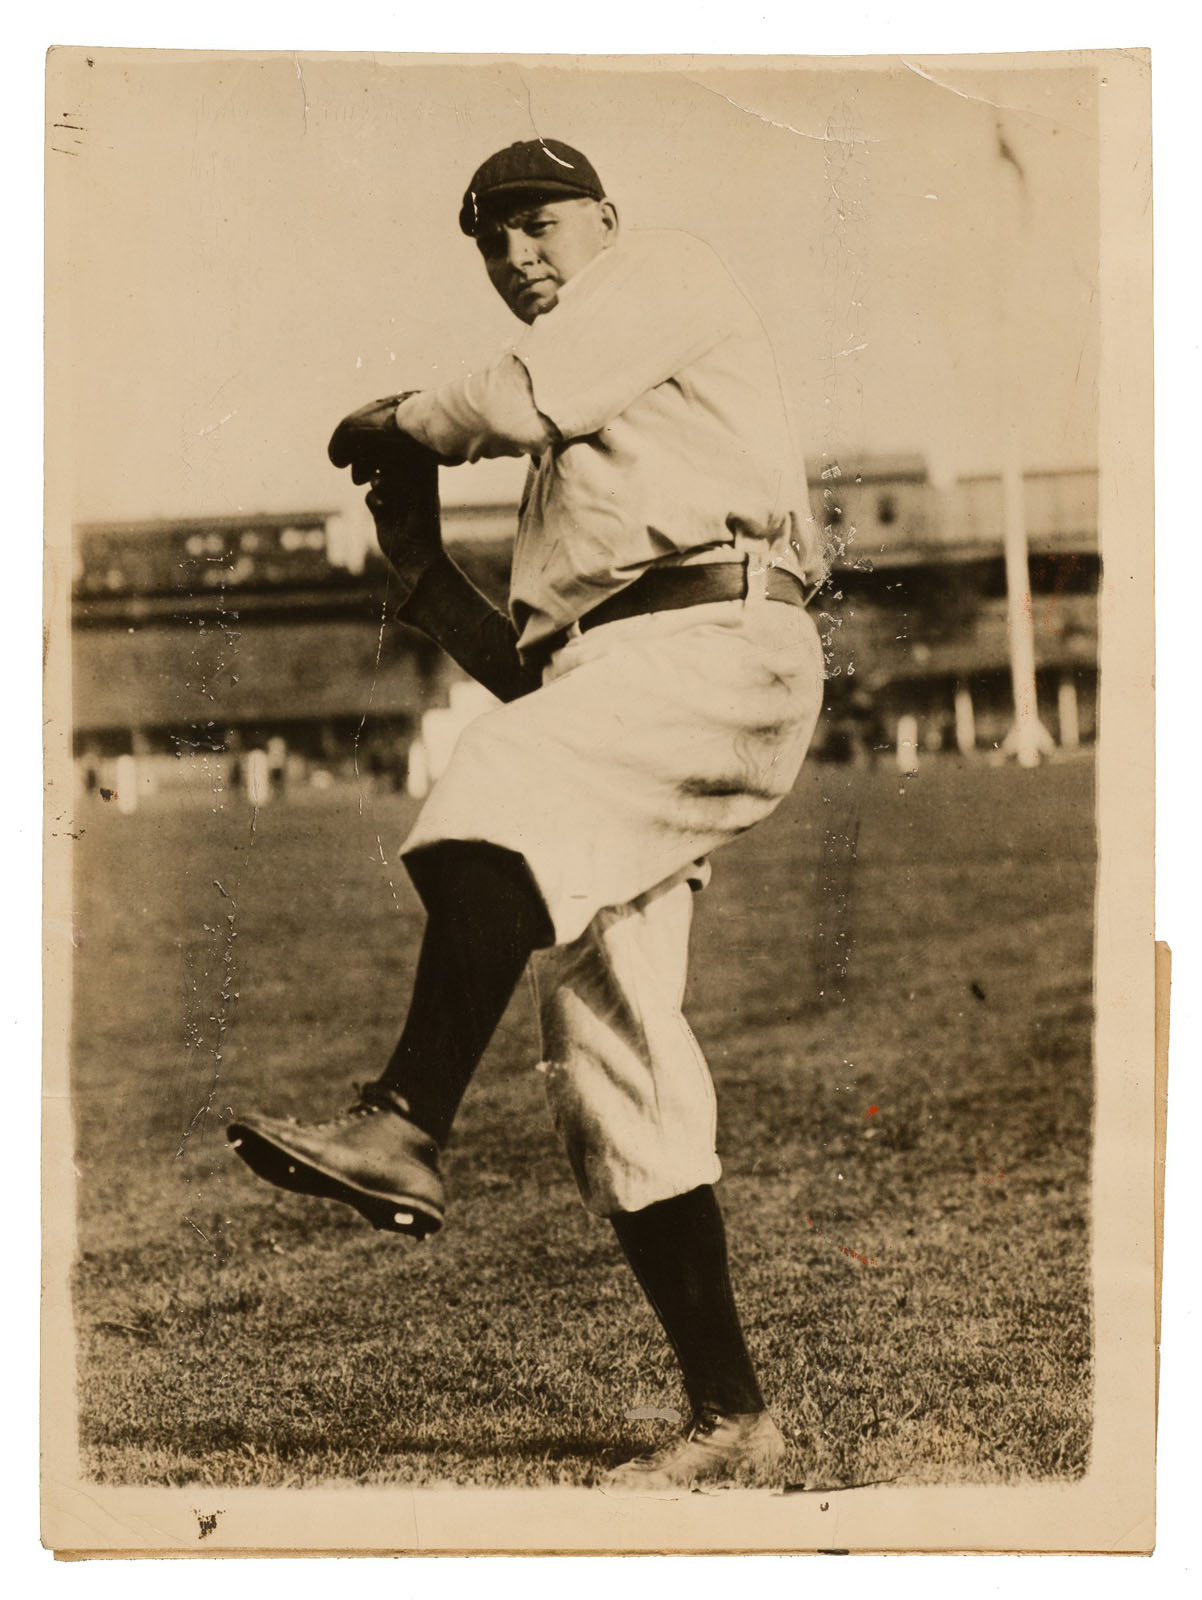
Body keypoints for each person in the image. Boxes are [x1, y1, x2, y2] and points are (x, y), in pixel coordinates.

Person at [229, 138, 827, 1491]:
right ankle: (730, 1418)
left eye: (538, 225)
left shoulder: (665, 276)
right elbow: (542, 671)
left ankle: (403, 1122)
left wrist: (394, 420)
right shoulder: (586, 448)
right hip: (646, 674)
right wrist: (424, 572)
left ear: (606, 216)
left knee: (489, 793)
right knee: (608, 1058)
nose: (517, 258)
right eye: (492, 244)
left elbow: (496, 404)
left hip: (725, 645)